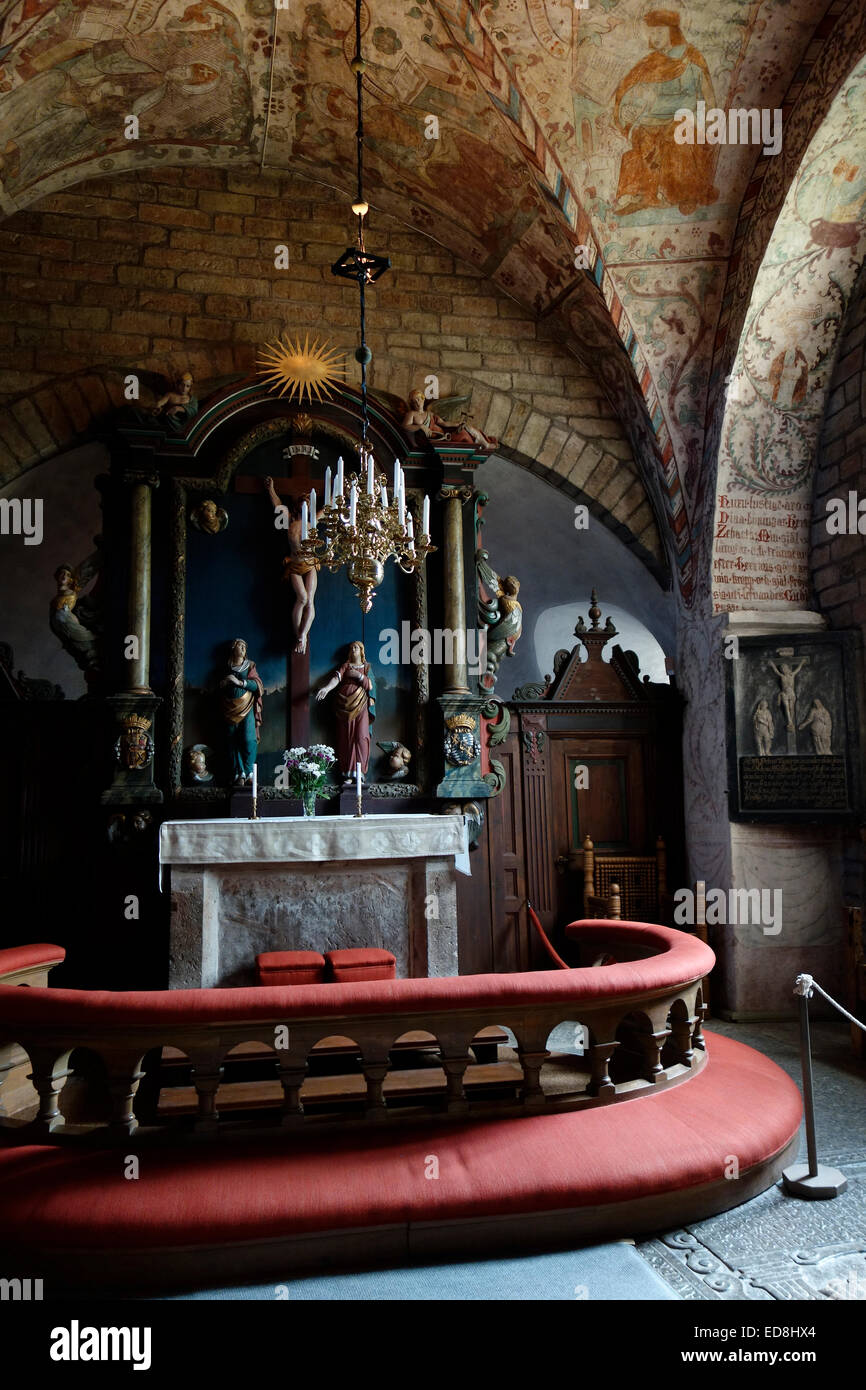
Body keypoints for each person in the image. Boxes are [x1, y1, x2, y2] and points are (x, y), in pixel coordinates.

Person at [611, 10, 717, 217]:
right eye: (651, 33)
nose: (654, 38)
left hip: (684, 120)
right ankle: (641, 195)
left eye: (659, 31)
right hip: (654, 120)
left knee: (677, 137)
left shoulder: (691, 58)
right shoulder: (652, 62)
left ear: (673, 31)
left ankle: (684, 193)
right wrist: (628, 109)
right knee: (642, 138)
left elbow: (706, 97)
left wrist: (711, 125)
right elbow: (632, 90)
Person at [263, 477, 318, 654]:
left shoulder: (312, 524)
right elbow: (278, 504)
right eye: (303, 503)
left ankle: (303, 635)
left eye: (308, 504)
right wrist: (271, 489)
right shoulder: (290, 521)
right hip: (294, 565)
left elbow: (330, 509)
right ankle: (299, 635)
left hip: (310, 564)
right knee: (301, 598)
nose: (306, 506)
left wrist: (340, 494)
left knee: (309, 600)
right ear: (298, 506)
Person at [316, 640, 376, 779]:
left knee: (361, 737)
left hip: (361, 705)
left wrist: (359, 676)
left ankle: (360, 772)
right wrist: (327, 688)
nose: (353, 649)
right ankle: (348, 772)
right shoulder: (346, 666)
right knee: (347, 737)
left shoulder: (366, 668)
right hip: (344, 706)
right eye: (351, 648)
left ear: (361, 650)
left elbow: (371, 686)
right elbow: (336, 679)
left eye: (356, 647)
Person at [219, 638, 263, 785]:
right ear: (233, 648)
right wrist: (224, 683)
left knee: (248, 738)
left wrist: (239, 682)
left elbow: (257, 685)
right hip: (229, 708)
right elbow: (219, 686)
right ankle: (239, 773)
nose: (243, 648)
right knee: (232, 740)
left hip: (246, 707)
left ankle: (249, 771)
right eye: (240, 645)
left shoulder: (249, 665)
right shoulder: (226, 667)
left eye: (245, 646)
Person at [401, 389, 497, 450]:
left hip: (444, 436)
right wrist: (421, 426)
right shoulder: (411, 414)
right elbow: (405, 426)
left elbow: (444, 423)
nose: (417, 403)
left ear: (423, 399)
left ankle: (486, 445)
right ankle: (476, 445)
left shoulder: (430, 414)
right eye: (414, 401)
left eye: (418, 399)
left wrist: (457, 424)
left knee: (466, 428)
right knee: (464, 435)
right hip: (436, 441)